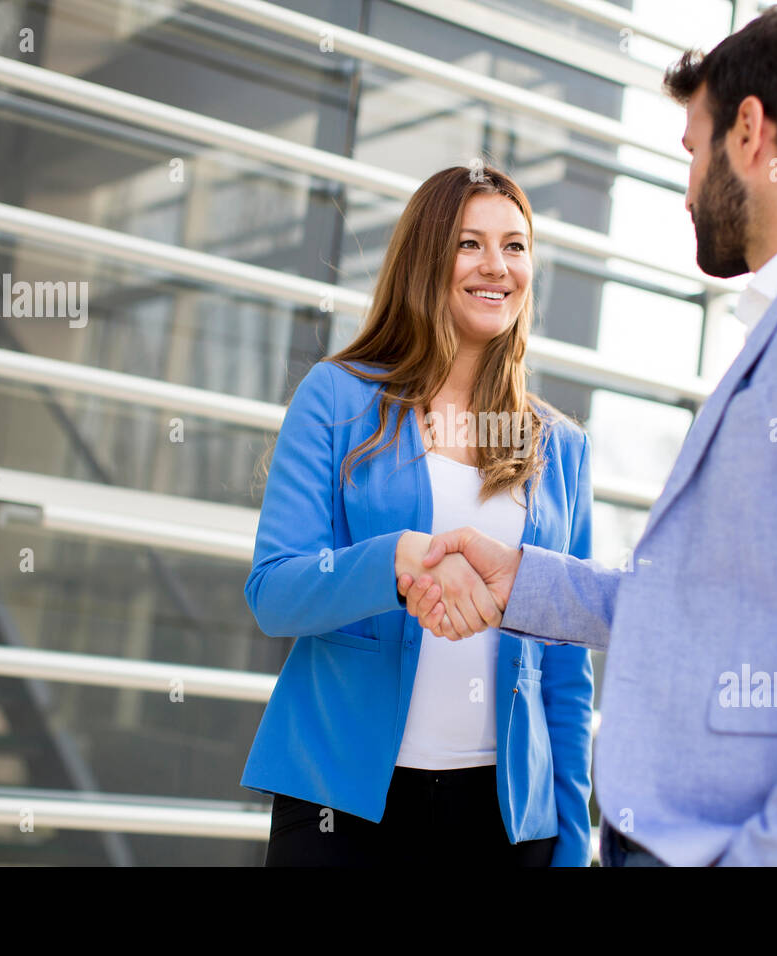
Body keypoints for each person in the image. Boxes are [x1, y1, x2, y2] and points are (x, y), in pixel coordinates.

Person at [400, 4, 777, 866]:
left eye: (692, 150)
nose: (686, 190)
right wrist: (521, 581)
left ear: (749, 133)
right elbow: (714, 606)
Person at [241, 165, 595, 867]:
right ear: (426, 258)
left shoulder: (559, 447)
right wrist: (395, 560)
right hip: (342, 806)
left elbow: (566, 663)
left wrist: (572, 837)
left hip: (504, 821)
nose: (498, 266)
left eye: (516, 246)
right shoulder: (337, 400)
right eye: (470, 243)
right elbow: (275, 591)